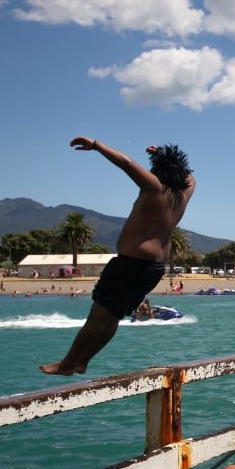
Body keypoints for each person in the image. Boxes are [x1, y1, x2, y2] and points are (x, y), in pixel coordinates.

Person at [39, 137, 195, 376]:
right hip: (153, 270)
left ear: (159, 171)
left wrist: (96, 145)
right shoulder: (182, 196)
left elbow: (126, 163)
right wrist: (162, 156)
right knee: (112, 319)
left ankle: (68, 364)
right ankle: (83, 361)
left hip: (130, 266)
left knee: (97, 318)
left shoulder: (154, 187)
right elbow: (191, 178)